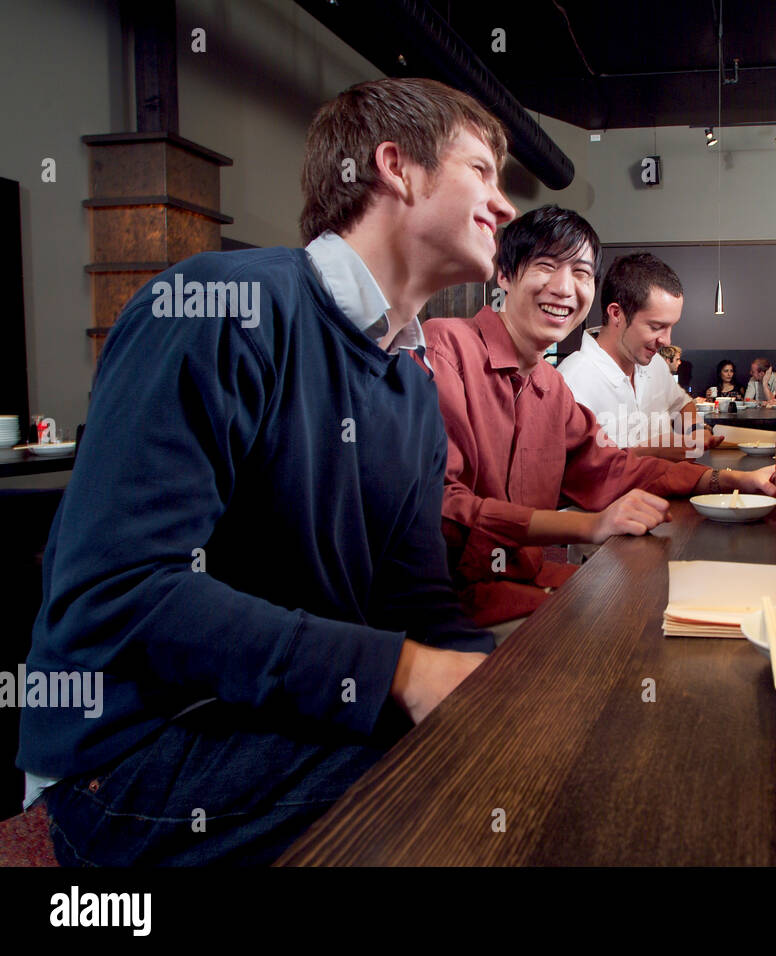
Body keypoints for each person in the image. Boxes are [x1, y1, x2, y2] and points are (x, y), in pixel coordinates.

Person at [18, 78, 514, 866]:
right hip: (134, 756)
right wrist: (405, 670)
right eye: (483, 171)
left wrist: (506, 682)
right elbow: (120, 593)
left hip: (278, 719)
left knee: (524, 745)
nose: (506, 204)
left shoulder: (412, 389)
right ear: (398, 167)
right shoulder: (216, 306)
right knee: (482, 790)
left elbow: (412, 598)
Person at [423, 207, 775, 631]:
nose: (564, 288)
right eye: (546, 266)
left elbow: (613, 466)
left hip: (529, 585)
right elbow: (442, 506)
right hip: (453, 612)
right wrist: (591, 524)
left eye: (582, 273)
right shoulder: (446, 348)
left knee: (712, 607)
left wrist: (731, 483)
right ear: (505, 275)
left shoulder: (550, 387)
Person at [557, 252, 720, 458]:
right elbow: (574, 473)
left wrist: (695, 431)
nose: (667, 341)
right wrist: (652, 450)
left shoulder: (655, 365)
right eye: (656, 326)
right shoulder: (572, 381)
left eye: (671, 327)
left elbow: (682, 404)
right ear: (617, 314)